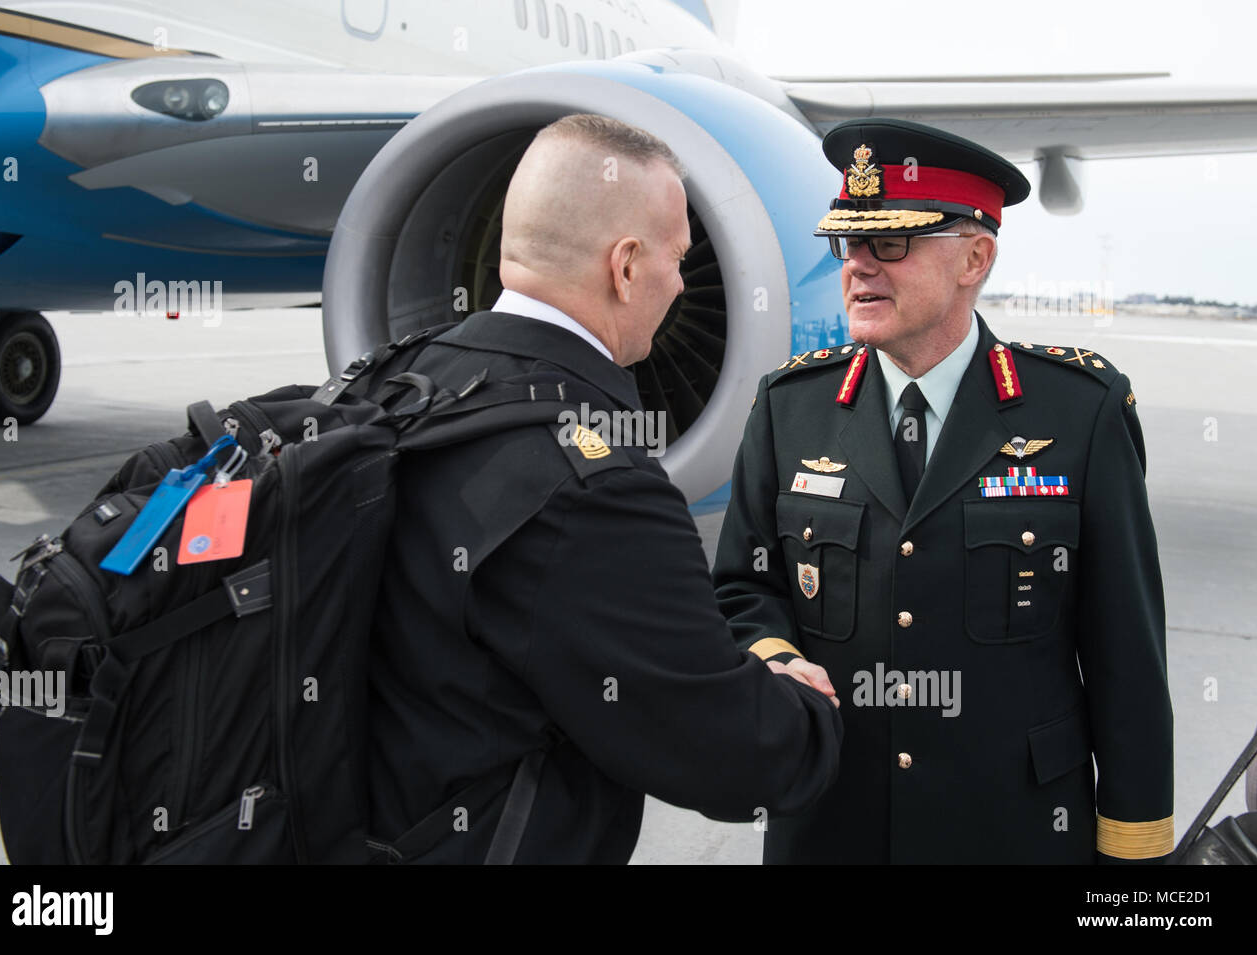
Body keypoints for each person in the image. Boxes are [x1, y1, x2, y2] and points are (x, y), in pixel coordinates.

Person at [366, 114, 843, 863]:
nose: (683, 283)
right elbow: (731, 751)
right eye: (679, 258)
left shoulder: (389, 387)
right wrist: (797, 698)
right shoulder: (597, 484)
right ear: (624, 267)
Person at [712, 118, 1174, 864]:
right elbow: (742, 587)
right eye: (847, 243)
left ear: (975, 257)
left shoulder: (1077, 412)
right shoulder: (789, 408)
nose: (858, 265)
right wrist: (775, 656)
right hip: (833, 825)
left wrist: (1134, 859)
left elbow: (1127, 655)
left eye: (888, 243)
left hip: (1014, 830)